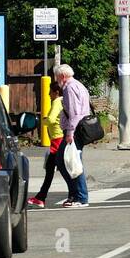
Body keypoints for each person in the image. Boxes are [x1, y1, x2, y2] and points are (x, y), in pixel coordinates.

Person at [54, 64, 90, 208]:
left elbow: (75, 113)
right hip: (78, 130)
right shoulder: (78, 85)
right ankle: (75, 195)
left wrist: (69, 133)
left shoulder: (69, 87)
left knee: (70, 163)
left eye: (57, 77)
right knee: (68, 162)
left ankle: (80, 197)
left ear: (62, 76)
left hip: (74, 131)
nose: (57, 81)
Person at [28, 87, 65, 208]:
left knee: (52, 170)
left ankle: (41, 198)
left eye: (51, 92)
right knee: (60, 170)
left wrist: (42, 121)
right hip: (59, 138)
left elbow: (51, 119)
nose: (49, 95)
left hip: (56, 140)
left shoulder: (56, 102)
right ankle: (41, 197)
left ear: (57, 92)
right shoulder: (63, 101)